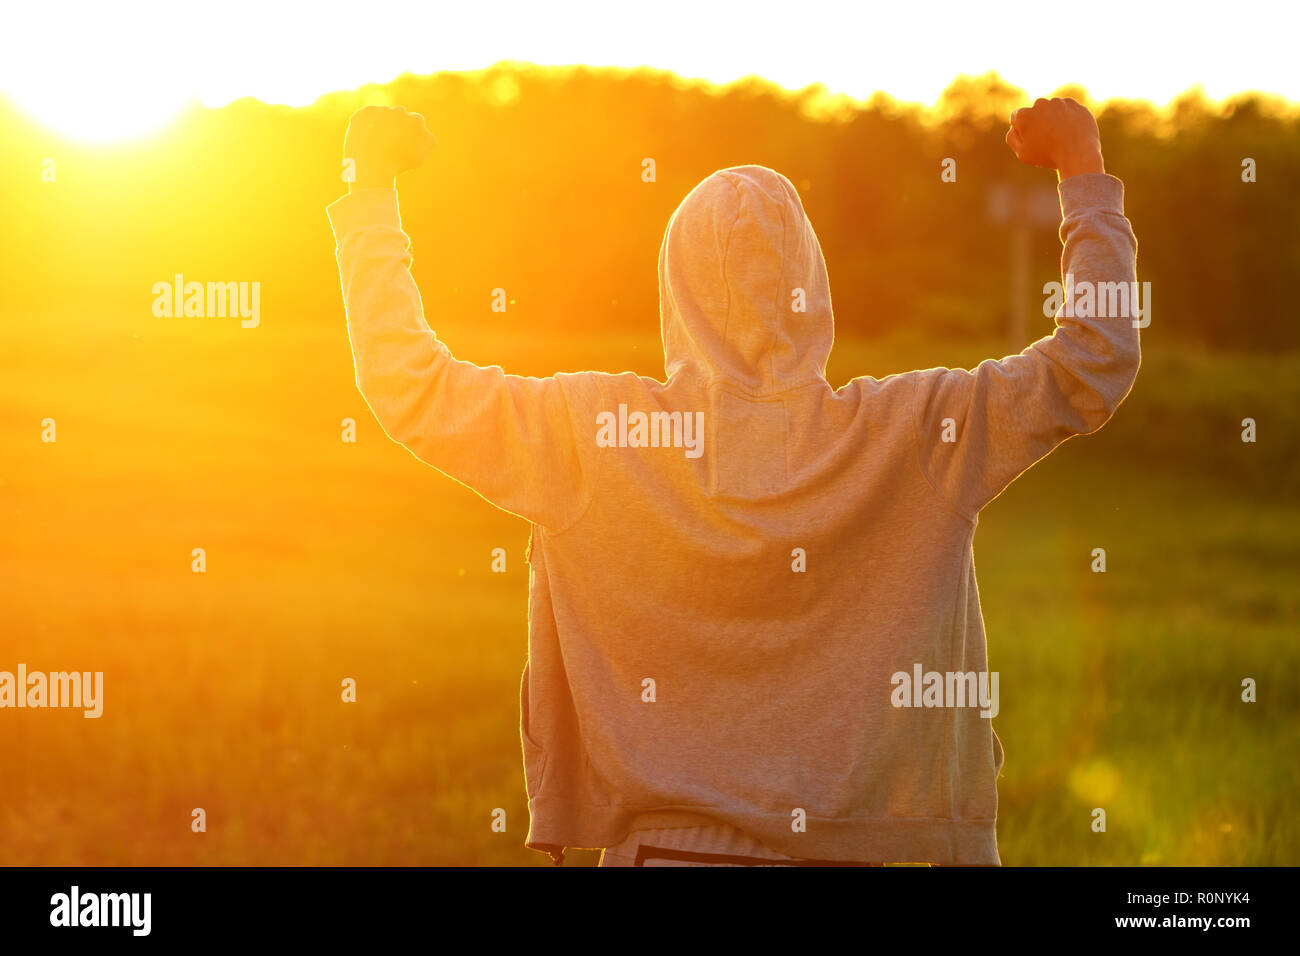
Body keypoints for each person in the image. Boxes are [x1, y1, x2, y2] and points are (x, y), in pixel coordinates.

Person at [327, 96, 1140, 866]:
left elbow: (410, 384)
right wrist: (1084, 173)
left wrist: (369, 193)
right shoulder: (915, 432)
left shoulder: (593, 435)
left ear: (675, 287)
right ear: (810, 285)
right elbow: (1094, 360)